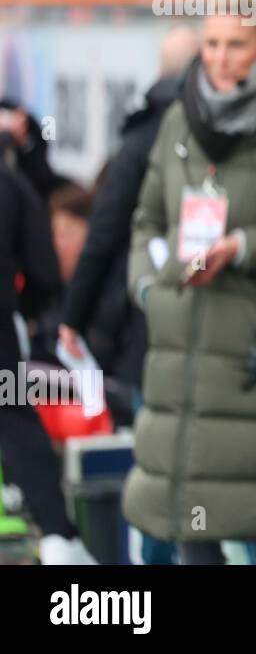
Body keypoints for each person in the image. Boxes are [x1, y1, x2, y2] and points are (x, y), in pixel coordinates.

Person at [123, 0, 256, 564]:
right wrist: (149, 289)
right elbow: (145, 222)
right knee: (194, 542)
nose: (219, 57)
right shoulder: (177, 123)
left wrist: (243, 247)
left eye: (236, 44)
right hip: (180, 367)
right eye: (211, 43)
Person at [58, 26, 199, 422]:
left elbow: (104, 231)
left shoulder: (142, 137)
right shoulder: (228, 131)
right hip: (219, 323)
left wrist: (73, 316)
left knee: (150, 434)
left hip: (147, 321)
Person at [0, 164, 95, 563]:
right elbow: (43, 268)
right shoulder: (12, 184)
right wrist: (27, 311)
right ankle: (58, 534)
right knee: (14, 412)